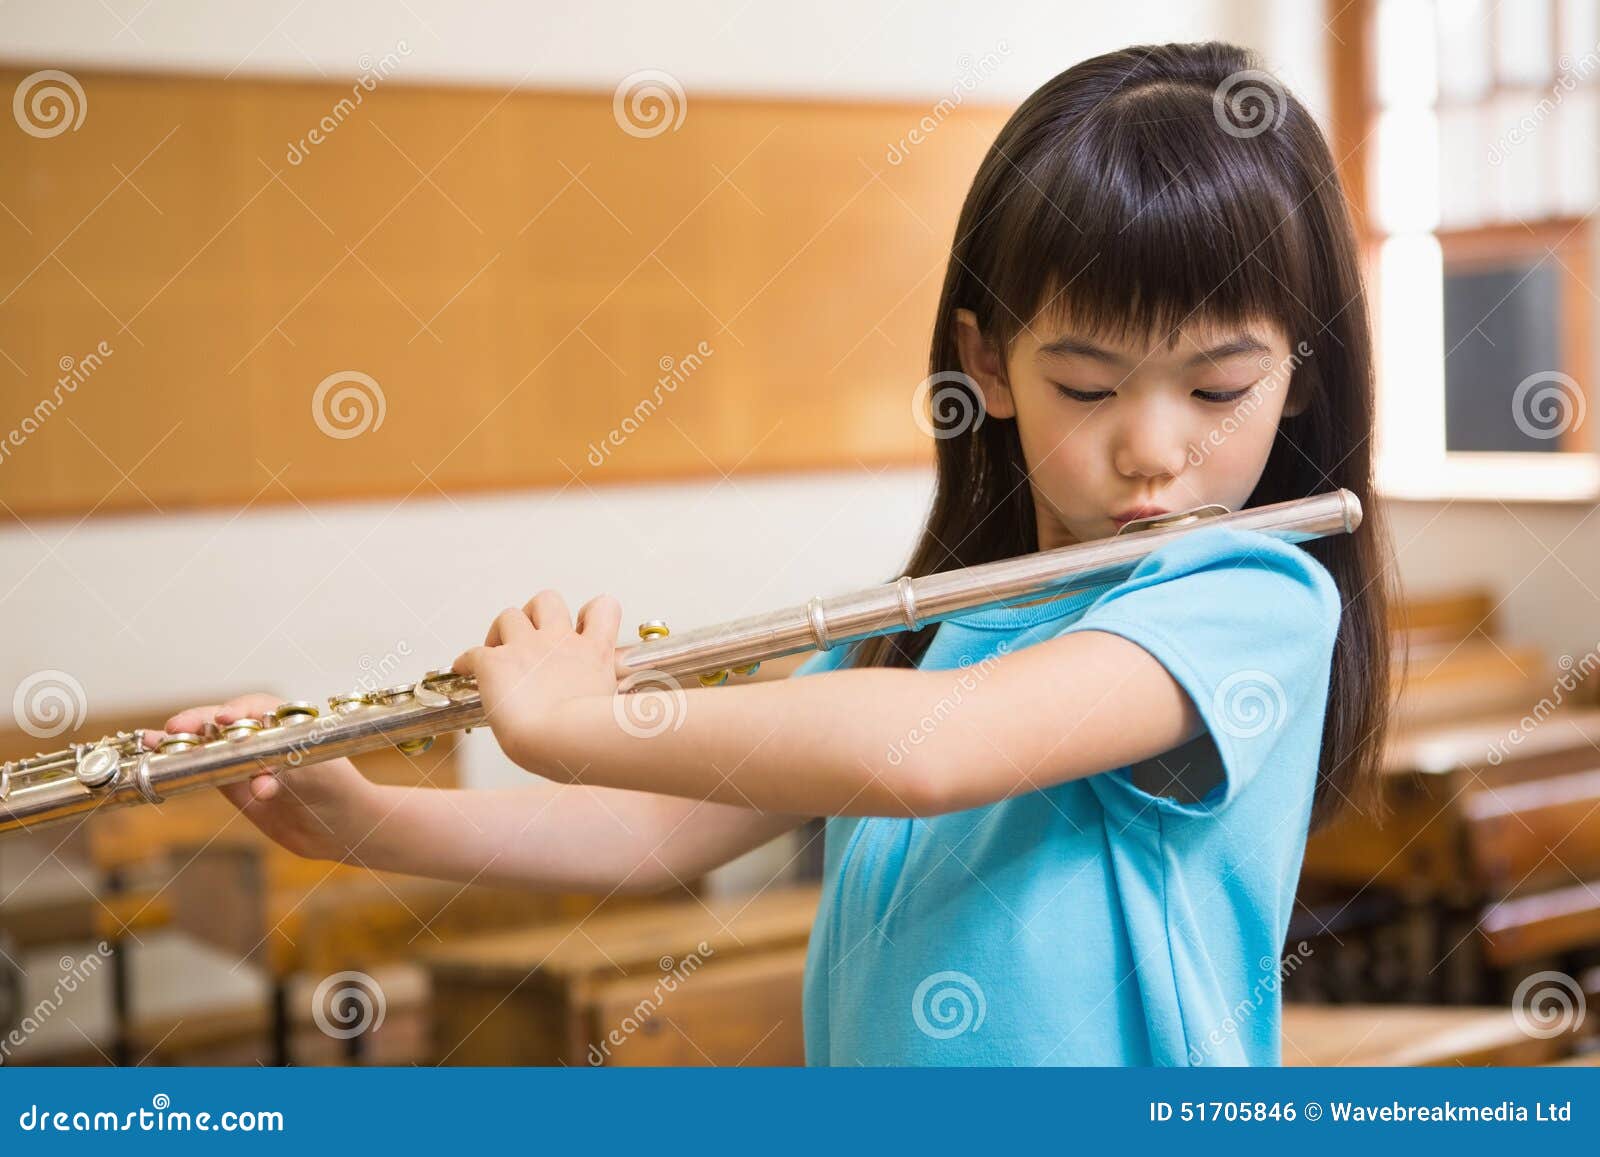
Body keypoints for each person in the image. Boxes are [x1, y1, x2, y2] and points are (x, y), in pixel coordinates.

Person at [150, 41, 1394, 1066]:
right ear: (988, 367)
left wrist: (577, 720)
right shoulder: (923, 626)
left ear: (1296, 377)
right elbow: (656, 834)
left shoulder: (1253, 594)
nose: (1153, 449)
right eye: (1086, 382)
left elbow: (933, 753)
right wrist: (365, 820)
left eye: (1218, 385)